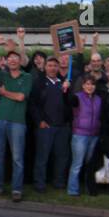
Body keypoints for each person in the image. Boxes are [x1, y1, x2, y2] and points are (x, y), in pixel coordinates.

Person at [0, 35, 31, 201]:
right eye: (9, 58)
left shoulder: (26, 77)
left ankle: (16, 190)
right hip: (0, 119)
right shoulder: (3, 76)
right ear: (6, 61)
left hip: (18, 122)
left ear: (20, 61)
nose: (12, 61)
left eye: (15, 58)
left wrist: (5, 93)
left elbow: (20, 97)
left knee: (17, 158)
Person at [30, 56, 71, 192]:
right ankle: (39, 183)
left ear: (58, 68)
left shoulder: (64, 83)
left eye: (55, 65)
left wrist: (67, 91)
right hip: (45, 126)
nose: (52, 68)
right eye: (50, 65)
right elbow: (33, 104)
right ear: (45, 67)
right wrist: (39, 121)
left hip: (62, 126)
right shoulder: (39, 82)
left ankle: (58, 182)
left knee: (62, 157)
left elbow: (71, 103)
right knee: (42, 157)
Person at [67, 74, 104, 196]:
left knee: (90, 164)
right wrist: (66, 89)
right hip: (80, 135)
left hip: (94, 135)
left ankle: (89, 188)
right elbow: (68, 101)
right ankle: (72, 190)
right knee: (77, 163)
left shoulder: (98, 99)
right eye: (87, 84)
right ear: (83, 85)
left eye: (92, 84)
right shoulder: (77, 98)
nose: (90, 86)